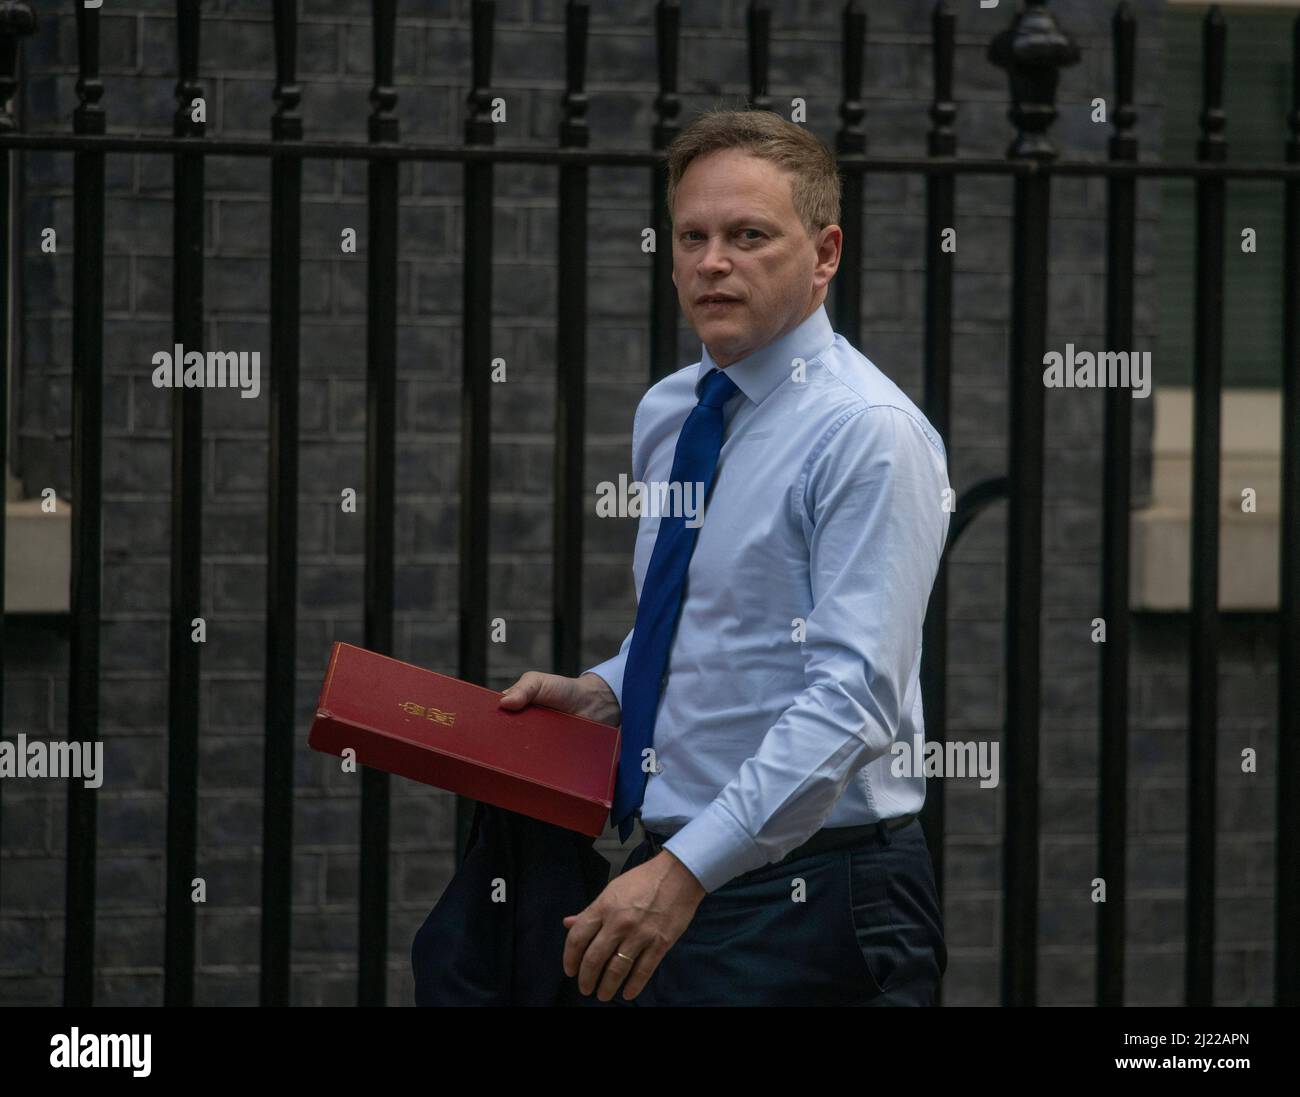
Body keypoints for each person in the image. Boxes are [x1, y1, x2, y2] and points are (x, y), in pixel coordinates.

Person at [499, 108, 950, 1006]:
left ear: (825, 254)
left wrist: (681, 874)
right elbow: (714, 618)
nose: (713, 262)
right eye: (692, 236)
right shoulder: (672, 411)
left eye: (749, 236)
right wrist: (608, 690)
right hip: (681, 869)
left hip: (814, 896)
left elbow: (853, 701)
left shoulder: (869, 433)